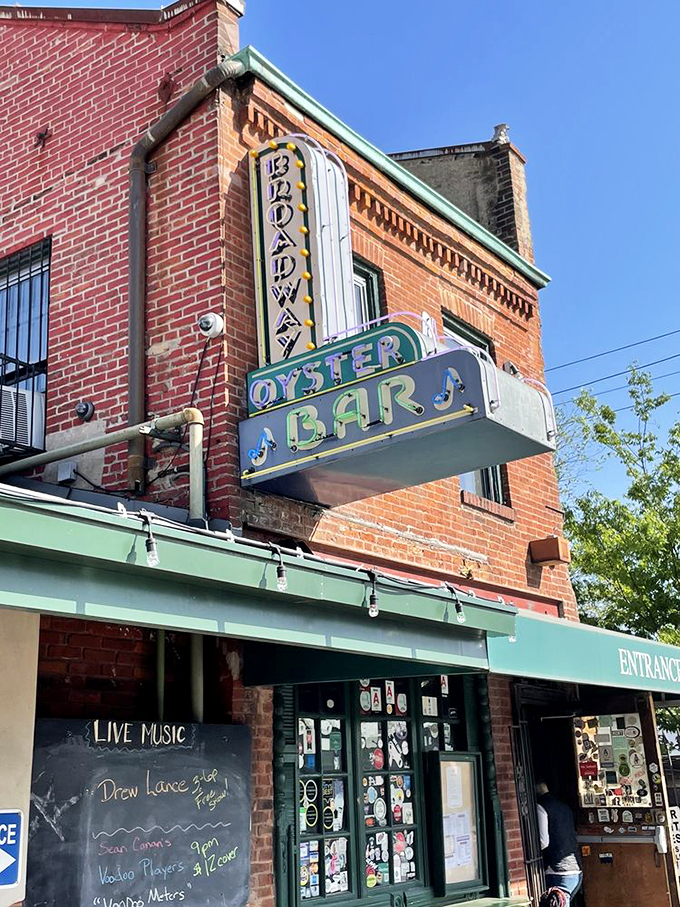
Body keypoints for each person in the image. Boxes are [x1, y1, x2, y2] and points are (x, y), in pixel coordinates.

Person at [536, 781, 583, 906]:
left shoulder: (541, 806)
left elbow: (543, 842)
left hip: (558, 870)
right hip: (575, 870)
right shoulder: (564, 806)